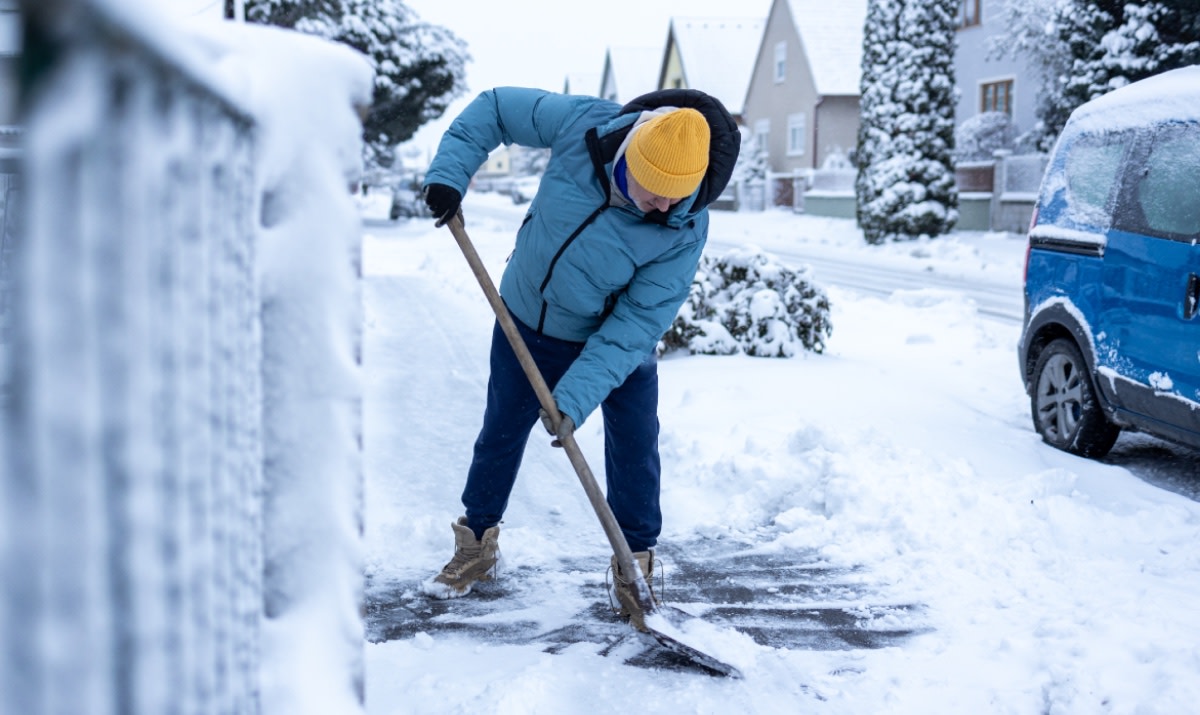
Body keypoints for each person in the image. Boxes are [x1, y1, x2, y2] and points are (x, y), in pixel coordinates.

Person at [419, 86, 739, 631]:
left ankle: (634, 567)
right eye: (654, 191)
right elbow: (494, 109)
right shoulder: (585, 125)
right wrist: (451, 174)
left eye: (676, 197)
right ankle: (476, 545)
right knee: (501, 430)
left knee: (636, 446)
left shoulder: (685, 225)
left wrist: (574, 397)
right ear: (628, 155)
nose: (663, 207)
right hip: (524, 316)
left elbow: (636, 323)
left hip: (613, 341)